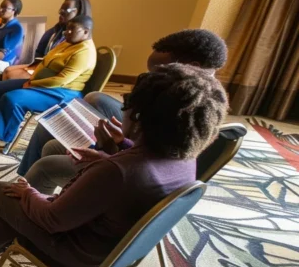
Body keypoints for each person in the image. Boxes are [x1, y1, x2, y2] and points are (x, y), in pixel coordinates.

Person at [0, 64, 228, 267]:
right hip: (117, 250)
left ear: (138, 116)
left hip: (80, 254)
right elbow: (134, 175)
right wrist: (118, 147)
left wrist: (28, 193)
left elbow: (52, 219)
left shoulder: (116, 171)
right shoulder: (185, 158)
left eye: (126, 104)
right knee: (22, 192)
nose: (123, 110)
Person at [22, 29, 229, 194]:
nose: (149, 78)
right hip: (132, 155)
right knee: (87, 105)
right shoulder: (199, 95)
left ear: (191, 66)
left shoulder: (185, 110)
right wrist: (120, 139)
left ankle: (28, 188)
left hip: (134, 170)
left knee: (48, 161)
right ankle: (28, 182)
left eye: (157, 71)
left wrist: (110, 149)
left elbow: (145, 160)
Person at [0, 15, 96, 147]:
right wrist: (33, 78)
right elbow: (45, 61)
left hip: (61, 92)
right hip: (42, 84)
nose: (67, 32)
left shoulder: (85, 52)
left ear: (86, 32)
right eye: (67, 29)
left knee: (12, 99)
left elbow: (61, 80)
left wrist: (33, 83)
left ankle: (0, 139)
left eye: (72, 30)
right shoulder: (69, 43)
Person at [0, 0, 91, 82]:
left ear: (78, 13)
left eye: (66, 10)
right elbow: (39, 53)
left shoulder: (77, 44)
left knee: (11, 76)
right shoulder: (55, 32)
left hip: (51, 73)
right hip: (41, 66)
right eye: (61, 9)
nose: (60, 12)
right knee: (7, 70)